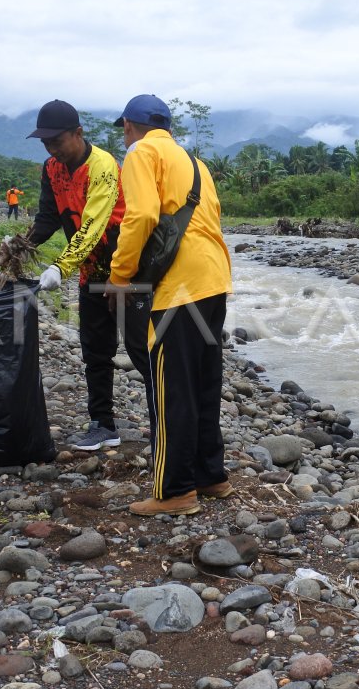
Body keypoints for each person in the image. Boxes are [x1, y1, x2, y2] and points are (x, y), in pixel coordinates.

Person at [106, 95, 233, 517]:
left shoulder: (142, 151)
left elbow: (140, 216)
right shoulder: (195, 163)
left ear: (129, 125)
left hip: (179, 285)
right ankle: (211, 476)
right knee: (202, 381)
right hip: (214, 277)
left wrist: (120, 276)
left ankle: (175, 491)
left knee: (170, 388)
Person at [24, 99, 148, 451]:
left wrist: (58, 267)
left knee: (142, 349)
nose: (52, 149)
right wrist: (21, 246)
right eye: (46, 143)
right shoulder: (51, 168)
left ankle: (165, 422)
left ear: (78, 133)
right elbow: (48, 218)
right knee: (95, 350)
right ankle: (102, 424)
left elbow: (93, 225)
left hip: (126, 269)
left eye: (57, 141)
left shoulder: (103, 165)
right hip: (91, 270)